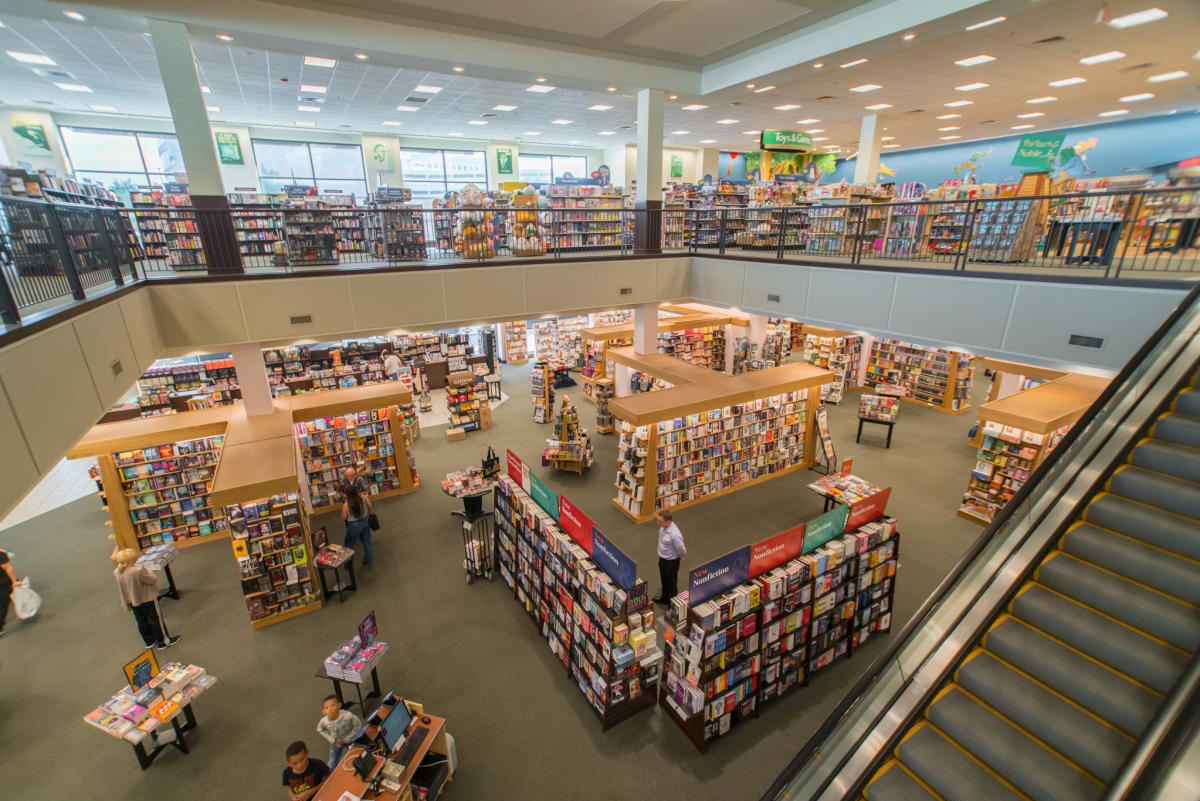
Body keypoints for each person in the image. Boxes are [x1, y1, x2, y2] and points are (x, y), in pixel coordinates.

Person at [114, 548, 181, 650]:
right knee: (155, 619)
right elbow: (152, 580)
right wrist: (148, 571)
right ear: (131, 559)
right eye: (135, 555)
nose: (137, 556)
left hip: (133, 601)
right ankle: (163, 641)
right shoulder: (138, 570)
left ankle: (149, 641)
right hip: (147, 599)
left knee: (141, 621)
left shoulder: (117, 572)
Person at [316, 695, 362, 768]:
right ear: (323, 712)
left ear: (339, 705)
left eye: (333, 705)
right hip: (336, 742)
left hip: (350, 739)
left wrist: (347, 739)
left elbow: (358, 725)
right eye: (327, 708)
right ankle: (331, 776)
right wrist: (332, 740)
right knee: (331, 763)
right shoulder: (324, 722)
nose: (330, 709)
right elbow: (320, 729)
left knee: (359, 754)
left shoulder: (348, 716)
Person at [652, 509, 686, 605]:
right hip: (662, 559)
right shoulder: (663, 527)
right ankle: (664, 598)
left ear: (667, 521)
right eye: (658, 520)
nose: (658, 522)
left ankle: (672, 606)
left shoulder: (675, 534)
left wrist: (681, 556)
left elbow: (681, 549)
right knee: (664, 580)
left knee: (671, 584)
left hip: (671, 562)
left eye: (660, 521)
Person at [342, 484, 374, 569]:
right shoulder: (364, 498)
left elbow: (344, 517)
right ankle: (368, 562)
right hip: (365, 521)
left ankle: (348, 564)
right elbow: (370, 506)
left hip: (353, 525)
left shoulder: (346, 504)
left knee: (349, 545)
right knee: (367, 542)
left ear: (347, 494)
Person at [0, 548, 17, 636]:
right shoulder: (1, 553)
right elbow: (8, 568)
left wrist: (14, 581)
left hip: (3, 584)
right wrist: (15, 581)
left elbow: (8, 569)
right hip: (3, 584)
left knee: (2, 605)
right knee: (3, 605)